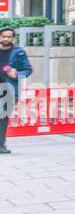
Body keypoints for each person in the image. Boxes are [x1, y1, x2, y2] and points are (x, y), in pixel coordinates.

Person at [0, 25, 33, 154]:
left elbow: (28, 69)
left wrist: (17, 74)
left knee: (3, 118)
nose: (6, 38)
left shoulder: (19, 52)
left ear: (13, 38)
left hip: (8, 89)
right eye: (4, 36)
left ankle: (1, 146)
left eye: (9, 36)